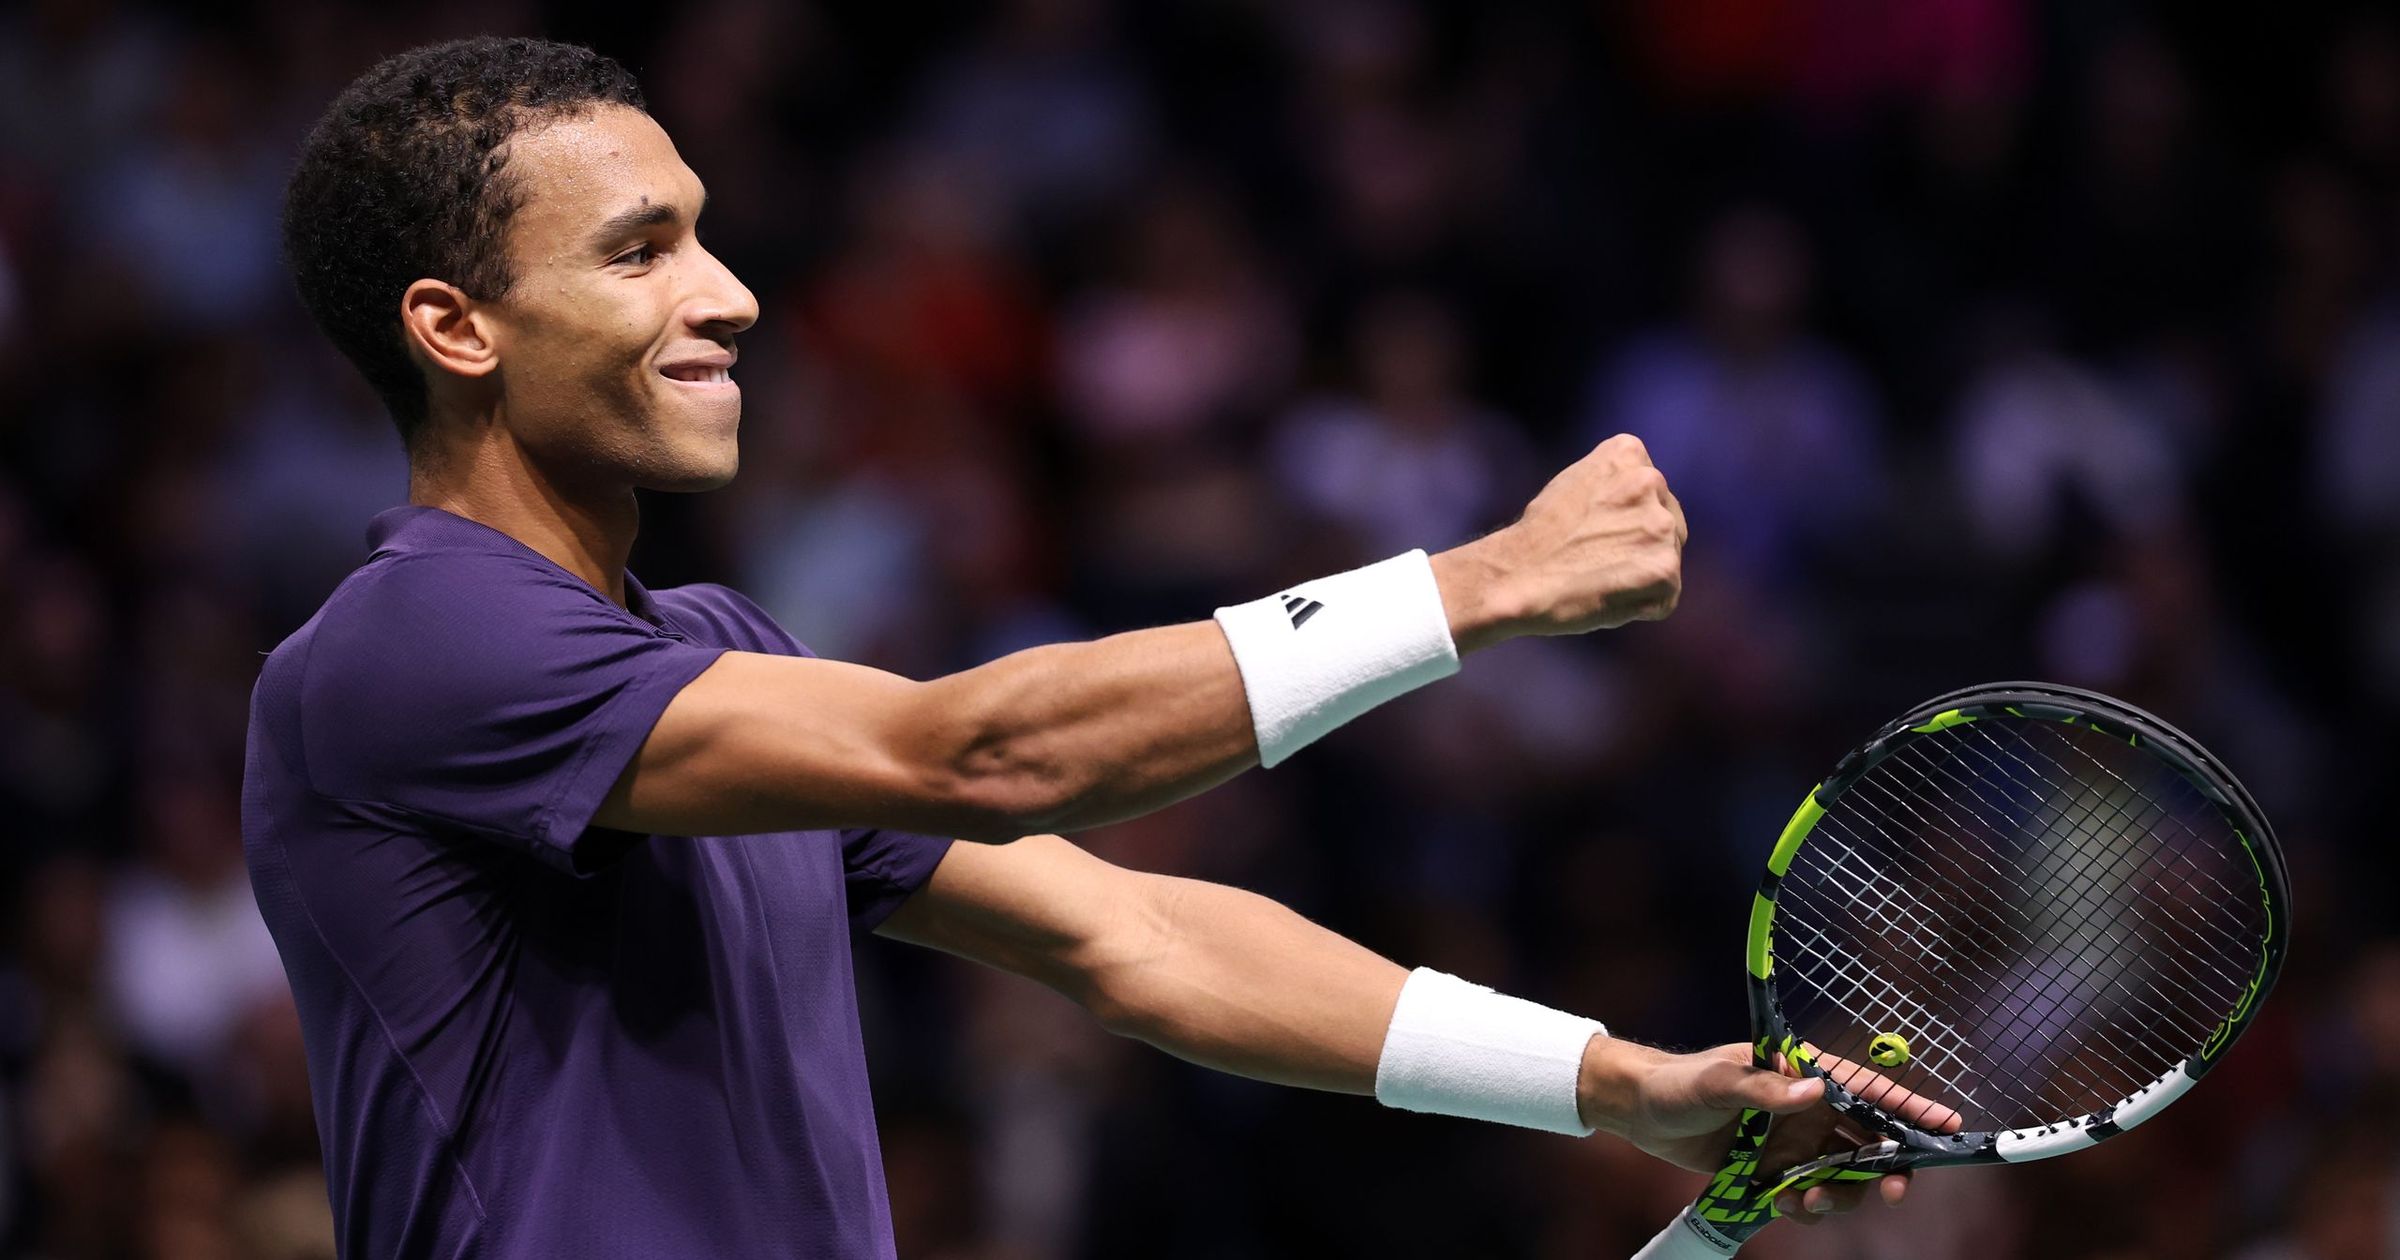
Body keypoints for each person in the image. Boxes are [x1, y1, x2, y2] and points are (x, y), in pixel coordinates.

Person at [246, 36, 1936, 1258]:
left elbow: (1139, 936)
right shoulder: (409, 651)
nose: (731, 290)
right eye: (641, 252)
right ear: (455, 329)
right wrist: (1478, 583)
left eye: (703, 228)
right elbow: (985, 754)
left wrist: (1621, 1085)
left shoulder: (709, 652)